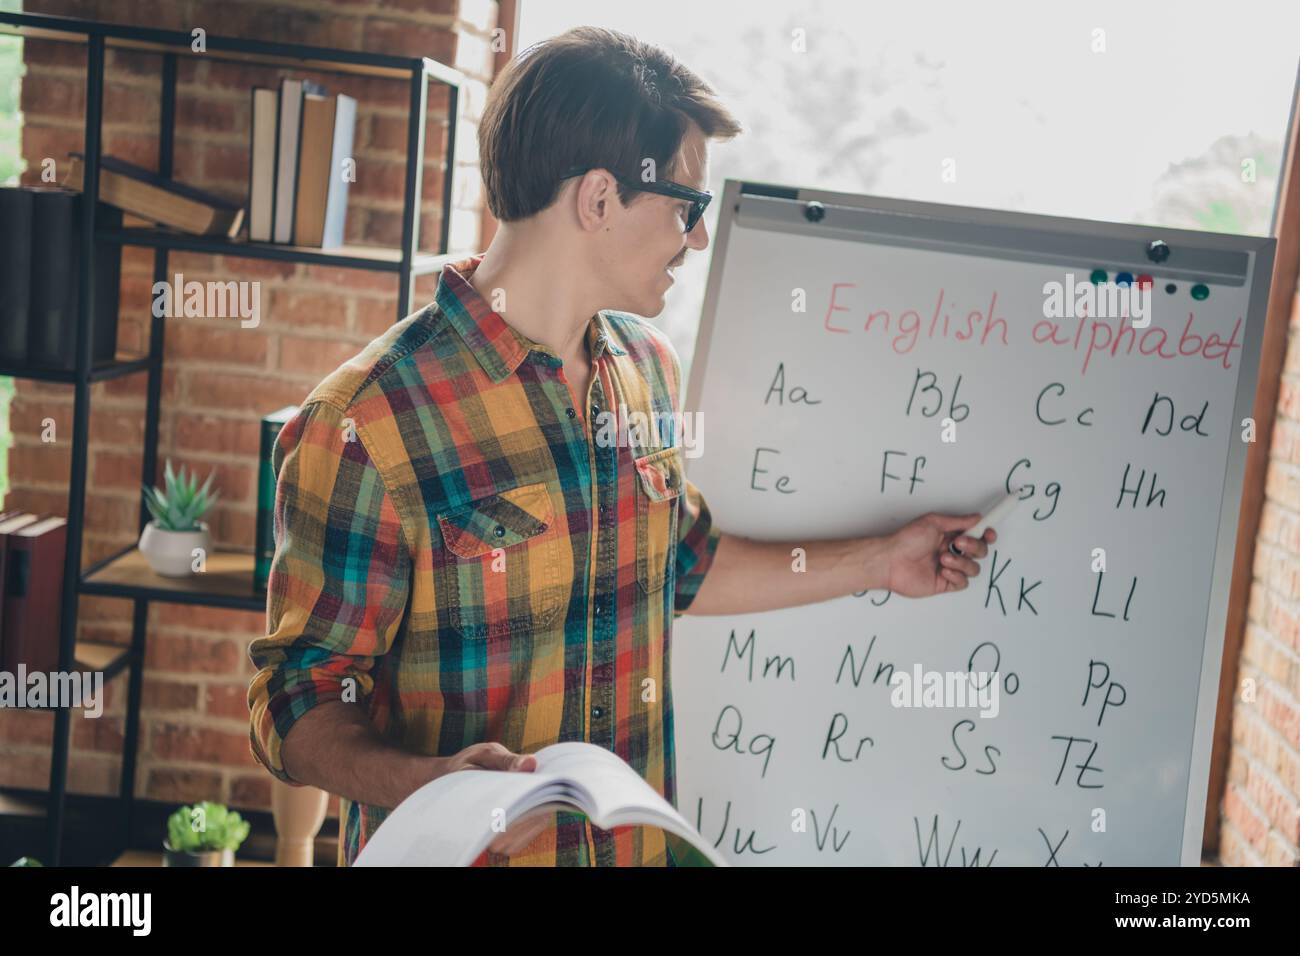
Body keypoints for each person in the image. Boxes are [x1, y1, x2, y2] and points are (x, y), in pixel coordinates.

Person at [247, 26, 994, 867]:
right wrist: (431, 780)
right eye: (688, 206)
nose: (699, 237)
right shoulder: (367, 420)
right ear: (599, 200)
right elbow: (298, 699)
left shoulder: (646, 371)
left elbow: (678, 565)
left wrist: (884, 560)